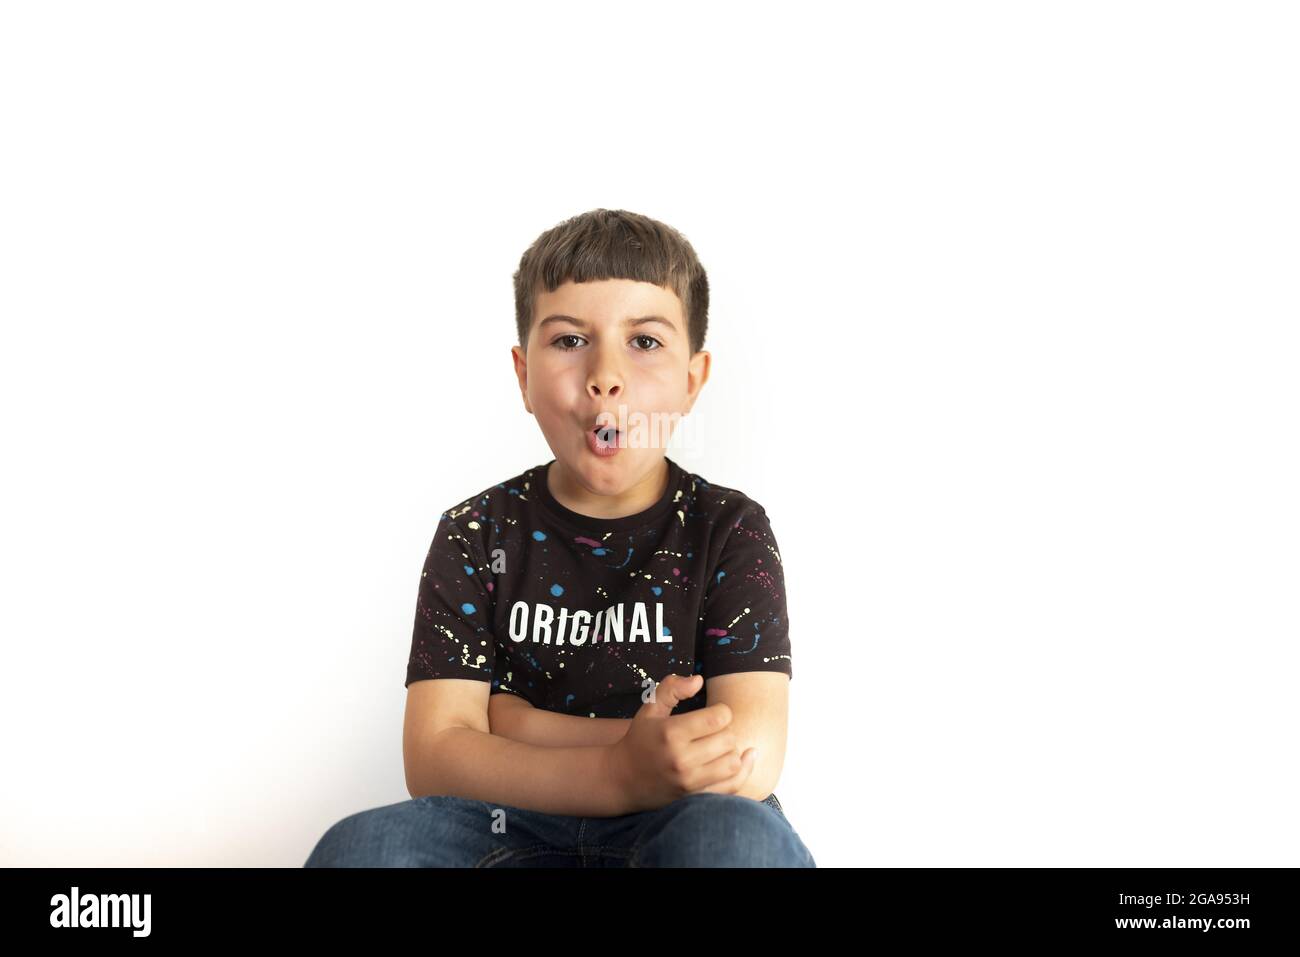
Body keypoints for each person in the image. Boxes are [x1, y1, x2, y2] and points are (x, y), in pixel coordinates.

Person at [305, 208, 815, 867]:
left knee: (739, 839)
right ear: (522, 374)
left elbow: (748, 758)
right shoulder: (474, 532)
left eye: (646, 341)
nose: (605, 374)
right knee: (364, 847)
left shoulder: (728, 529)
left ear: (693, 378)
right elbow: (435, 754)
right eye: (571, 340)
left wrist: (518, 725)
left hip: (679, 824)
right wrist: (622, 769)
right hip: (505, 828)